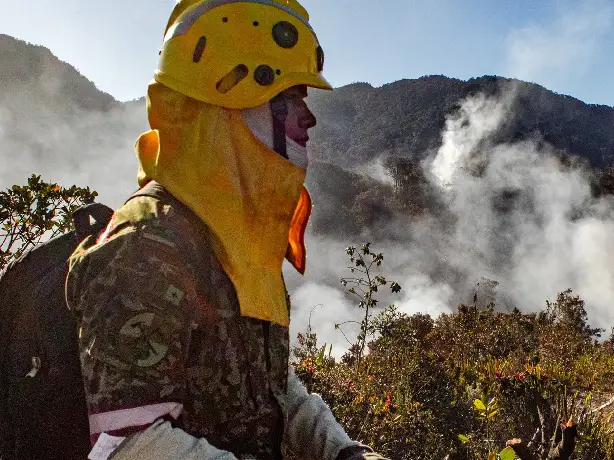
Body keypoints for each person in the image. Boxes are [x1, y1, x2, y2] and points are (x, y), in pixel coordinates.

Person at [65, 1, 387, 459]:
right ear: (229, 106)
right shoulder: (144, 245)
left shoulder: (238, 232)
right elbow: (127, 445)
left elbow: (271, 385)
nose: (308, 117)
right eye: (289, 96)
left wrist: (342, 452)